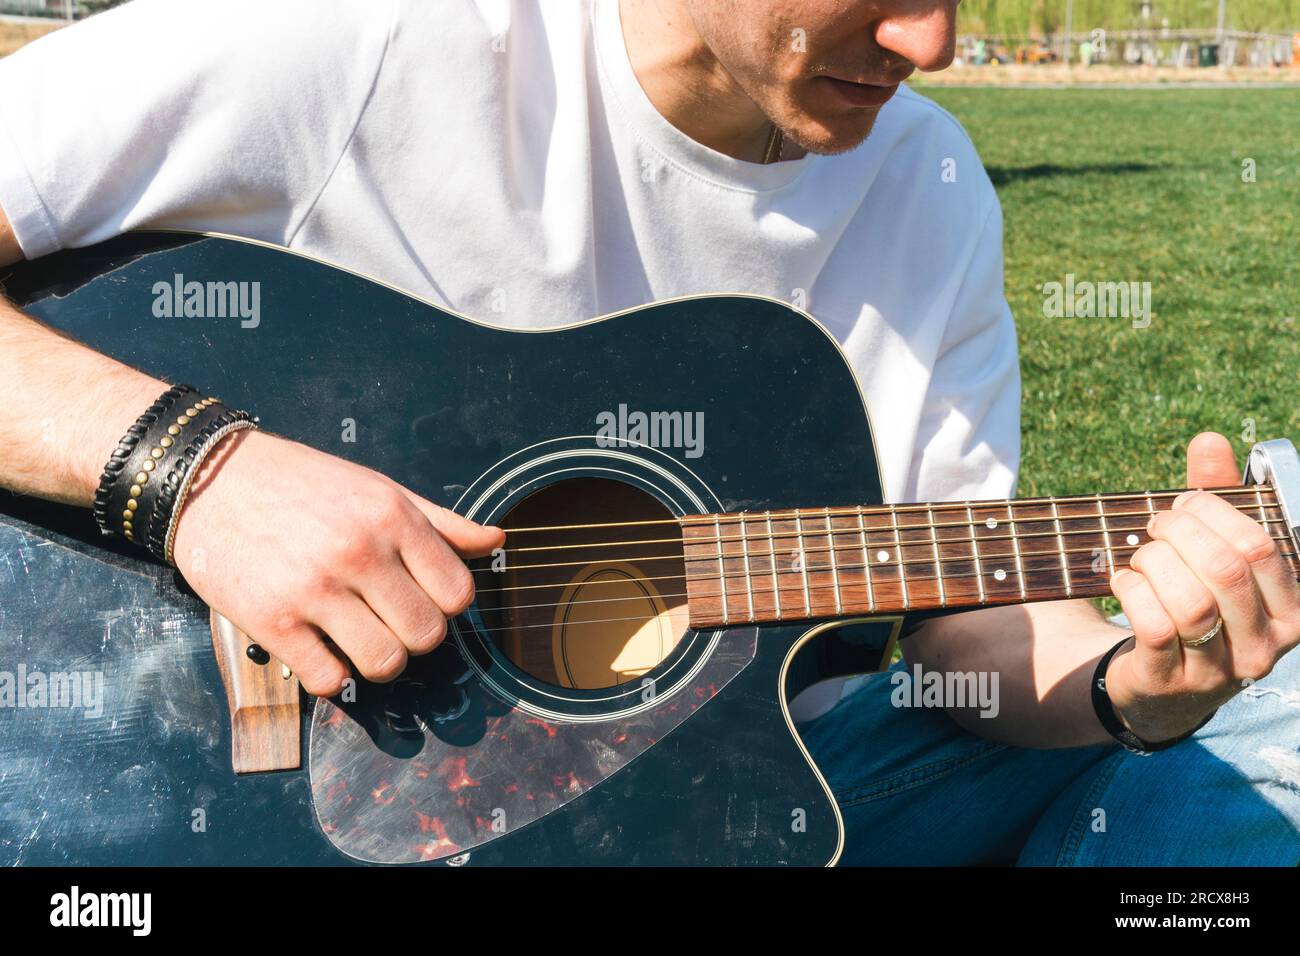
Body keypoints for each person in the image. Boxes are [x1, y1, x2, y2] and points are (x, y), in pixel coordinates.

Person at [0, 0, 1296, 865]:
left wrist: (1140, 690)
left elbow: (964, 620)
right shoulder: (362, 39)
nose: (933, 36)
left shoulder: (928, 180)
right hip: (199, 797)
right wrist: (194, 473)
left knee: (1268, 666)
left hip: (752, 796)